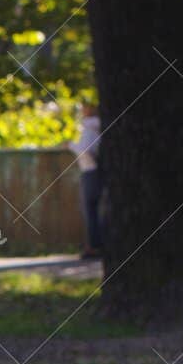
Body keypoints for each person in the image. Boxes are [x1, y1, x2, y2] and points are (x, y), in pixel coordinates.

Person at [71, 102, 103, 259]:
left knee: (90, 210)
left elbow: (86, 150)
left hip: (90, 171)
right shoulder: (97, 128)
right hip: (94, 171)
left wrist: (71, 145)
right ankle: (95, 244)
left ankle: (94, 246)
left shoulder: (90, 129)